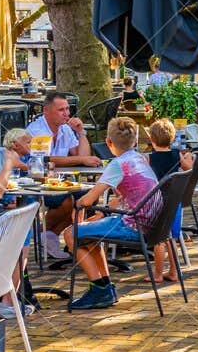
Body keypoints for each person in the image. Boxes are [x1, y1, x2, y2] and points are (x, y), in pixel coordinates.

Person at [62, 117, 161, 311]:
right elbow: (127, 196)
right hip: (154, 224)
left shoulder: (118, 164)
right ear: (135, 141)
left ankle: (99, 289)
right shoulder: (139, 159)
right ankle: (105, 285)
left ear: (109, 142)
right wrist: (100, 216)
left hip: (135, 226)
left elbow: (88, 200)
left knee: (70, 233)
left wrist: (78, 205)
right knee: (89, 234)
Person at [28, 91, 102, 263]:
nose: (67, 114)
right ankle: (42, 233)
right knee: (67, 200)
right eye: (61, 110)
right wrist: (82, 159)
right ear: (47, 111)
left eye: (68, 109)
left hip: (61, 183)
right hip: (38, 182)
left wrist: (81, 133)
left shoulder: (66, 130)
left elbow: (83, 156)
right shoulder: (36, 130)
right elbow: (46, 159)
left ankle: (50, 235)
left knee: (88, 198)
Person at [145, 119, 194, 283]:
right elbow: (189, 168)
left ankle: (158, 274)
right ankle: (174, 272)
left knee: (159, 238)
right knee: (172, 237)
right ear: (172, 139)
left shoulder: (149, 158)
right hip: (175, 200)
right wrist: (187, 157)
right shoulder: (176, 154)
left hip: (158, 201)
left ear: (151, 139)